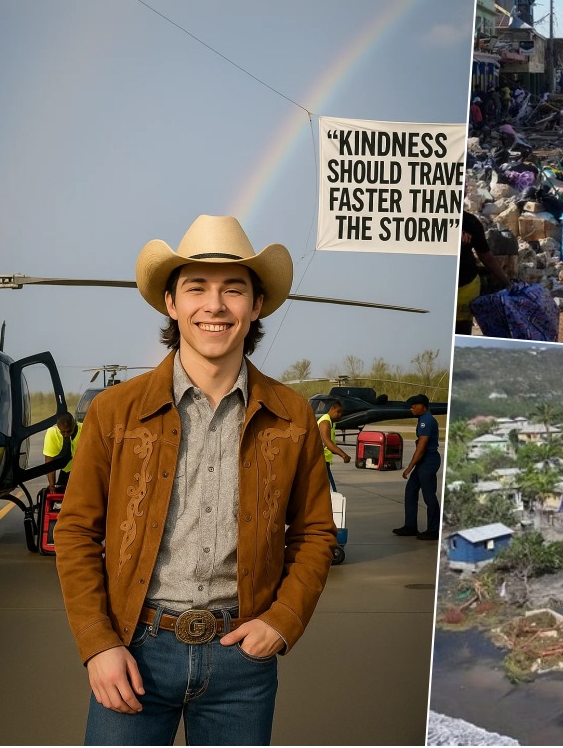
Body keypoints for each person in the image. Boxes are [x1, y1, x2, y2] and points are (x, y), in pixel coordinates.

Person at [54, 215, 335, 746]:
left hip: (241, 662)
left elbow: (316, 534)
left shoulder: (291, 415)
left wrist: (283, 620)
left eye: (234, 290)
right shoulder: (115, 412)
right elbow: (76, 532)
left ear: (255, 307)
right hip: (133, 650)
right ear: (171, 303)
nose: (215, 305)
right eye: (196, 288)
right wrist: (97, 643)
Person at [393, 394, 440, 541]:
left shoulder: (426, 420)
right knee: (411, 490)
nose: (411, 408)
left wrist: (410, 466)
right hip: (424, 460)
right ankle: (410, 526)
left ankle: (433, 530)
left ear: (423, 406)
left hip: (428, 460)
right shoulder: (423, 419)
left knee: (429, 495)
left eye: (414, 405)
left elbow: (421, 446)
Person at [456, 211, 512, 335]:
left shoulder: (470, 222)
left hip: (465, 287)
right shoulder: (426, 218)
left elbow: (485, 255)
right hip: (434, 287)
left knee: (461, 334)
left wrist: (507, 283)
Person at [43, 412, 82, 492]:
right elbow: (49, 462)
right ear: (58, 427)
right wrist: (51, 485)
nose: (66, 434)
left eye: (69, 431)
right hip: (67, 470)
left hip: (84, 471)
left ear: (74, 424)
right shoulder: (52, 433)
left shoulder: (85, 429)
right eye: (63, 432)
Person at [317, 399, 350, 489]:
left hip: (324, 461)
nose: (340, 415)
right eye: (338, 412)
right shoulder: (325, 422)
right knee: (331, 489)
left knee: (327, 489)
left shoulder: (331, 422)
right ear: (332, 408)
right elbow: (327, 441)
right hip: (320, 461)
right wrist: (343, 455)